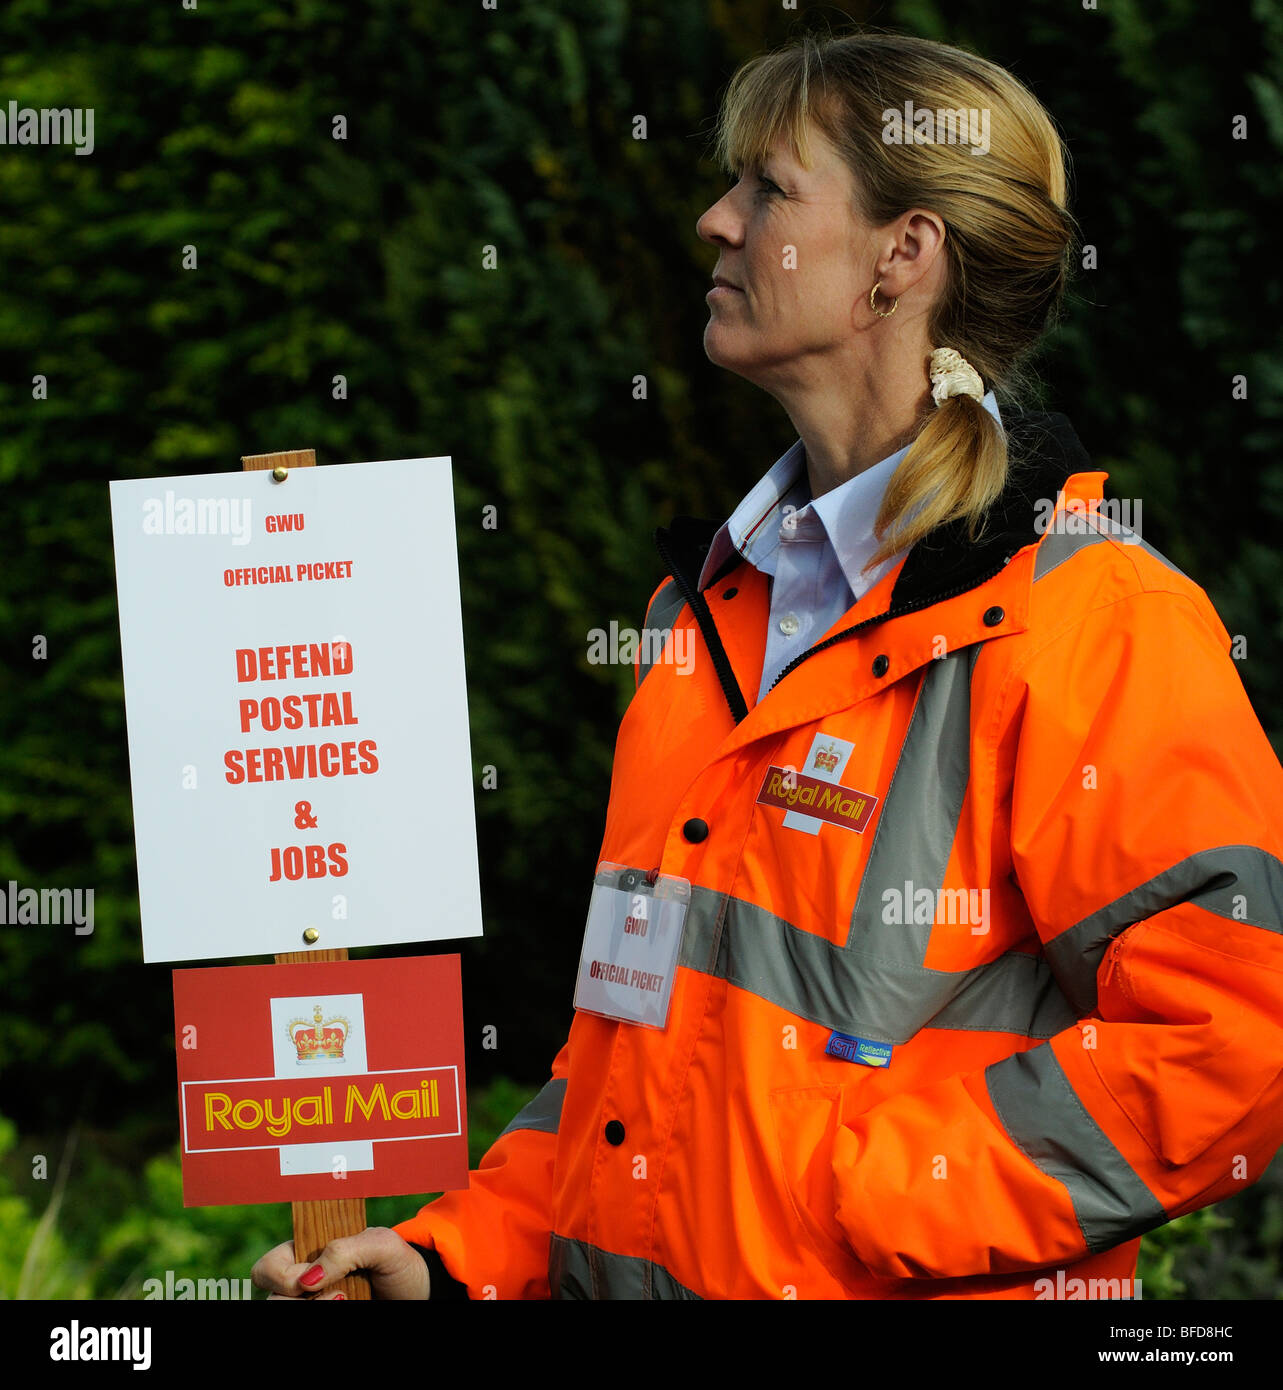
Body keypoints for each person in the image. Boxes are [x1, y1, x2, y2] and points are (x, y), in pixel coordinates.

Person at [253, 28, 1283, 1301]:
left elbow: (1232, 1044)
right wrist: (457, 1255)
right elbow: (633, 1052)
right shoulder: (695, 622)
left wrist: (839, 1193)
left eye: (767, 189)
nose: (712, 220)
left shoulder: (1096, 622)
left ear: (901, 258)